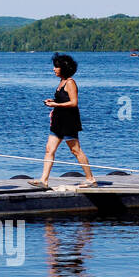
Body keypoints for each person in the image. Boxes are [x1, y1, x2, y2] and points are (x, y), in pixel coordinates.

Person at [33, 53, 96, 190]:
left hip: (68, 121)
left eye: (56, 67)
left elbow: (74, 103)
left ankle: (90, 179)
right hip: (57, 121)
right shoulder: (61, 82)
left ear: (64, 68)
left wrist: (55, 105)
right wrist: (53, 101)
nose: (54, 69)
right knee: (49, 149)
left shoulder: (70, 82)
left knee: (76, 150)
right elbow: (63, 100)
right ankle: (44, 180)